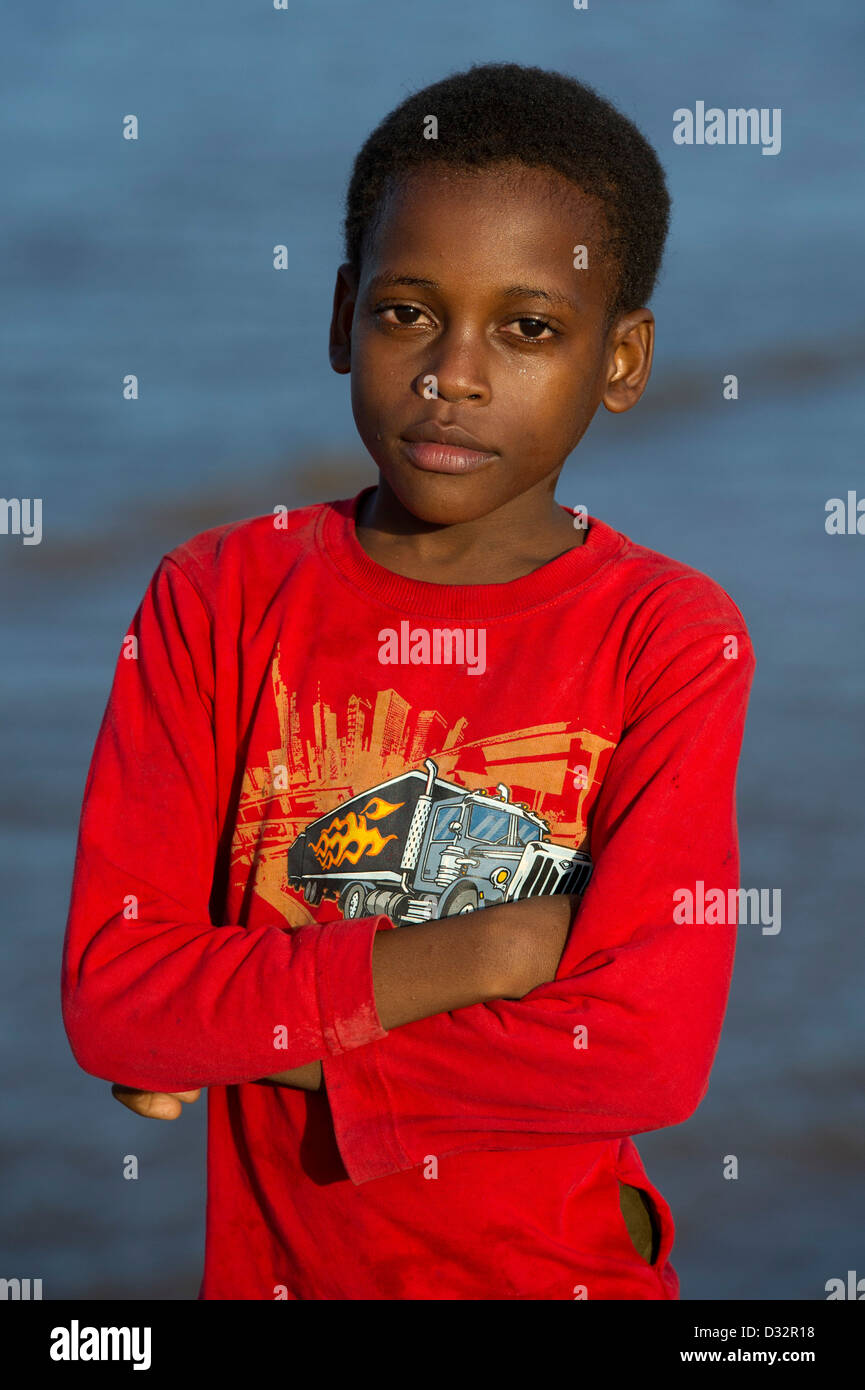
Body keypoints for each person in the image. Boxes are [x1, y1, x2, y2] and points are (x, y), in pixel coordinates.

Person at [61, 62, 755, 1300]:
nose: (455, 374)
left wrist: (244, 1037)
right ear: (340, 317)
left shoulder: (668, 635)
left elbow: (643, 1057)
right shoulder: (214, 597)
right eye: (407, 312)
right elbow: (118, 997)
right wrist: (495, 953)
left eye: (529, 326)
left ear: (622, 356)